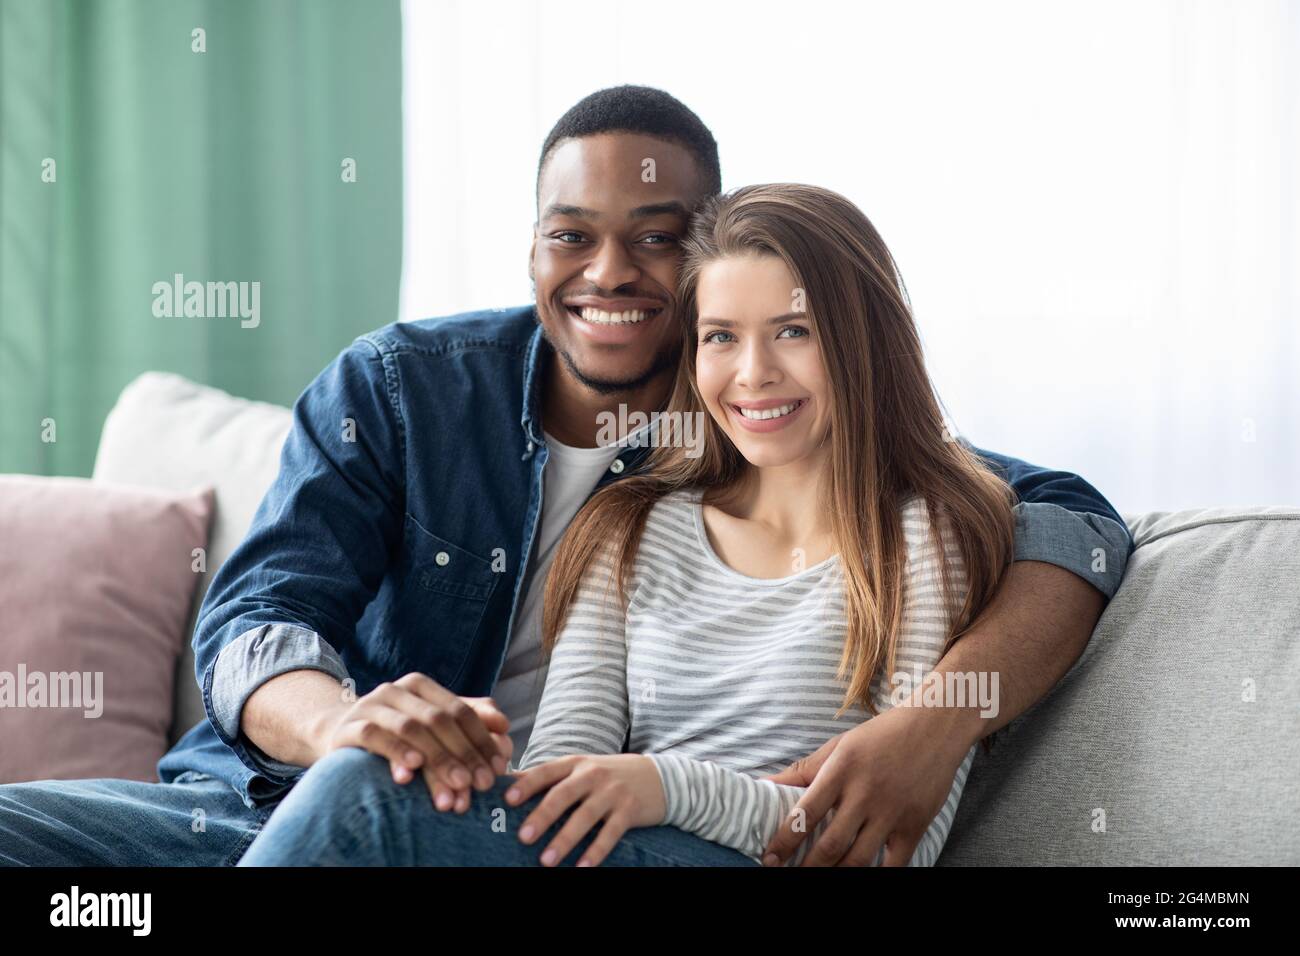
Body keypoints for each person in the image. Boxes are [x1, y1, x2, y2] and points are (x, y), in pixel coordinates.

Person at [0, 87, 1131, 867]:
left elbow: (1069, 520)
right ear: (532, 244)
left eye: (656, 236)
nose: (608, 272)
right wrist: (343, 724)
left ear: (713, 251)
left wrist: (935, 722)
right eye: (570, 234)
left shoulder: (809, 452)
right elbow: (255, 616)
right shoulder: (407, 391)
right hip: (274, 804)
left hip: (505, 831)